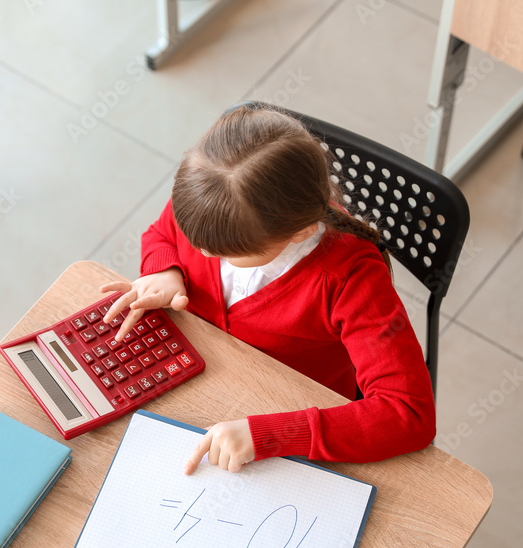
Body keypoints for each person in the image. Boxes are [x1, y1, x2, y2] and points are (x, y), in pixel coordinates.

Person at [101, 106, 436, 473]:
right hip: (202, 384)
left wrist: (270, 435)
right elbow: (163, 233)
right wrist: (165, 270)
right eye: (197, 242)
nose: (203, 253)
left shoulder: (351, 280)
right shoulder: (212, 201)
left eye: (228, 252)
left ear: (301, 232)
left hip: (282, 413)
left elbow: (408, 413)